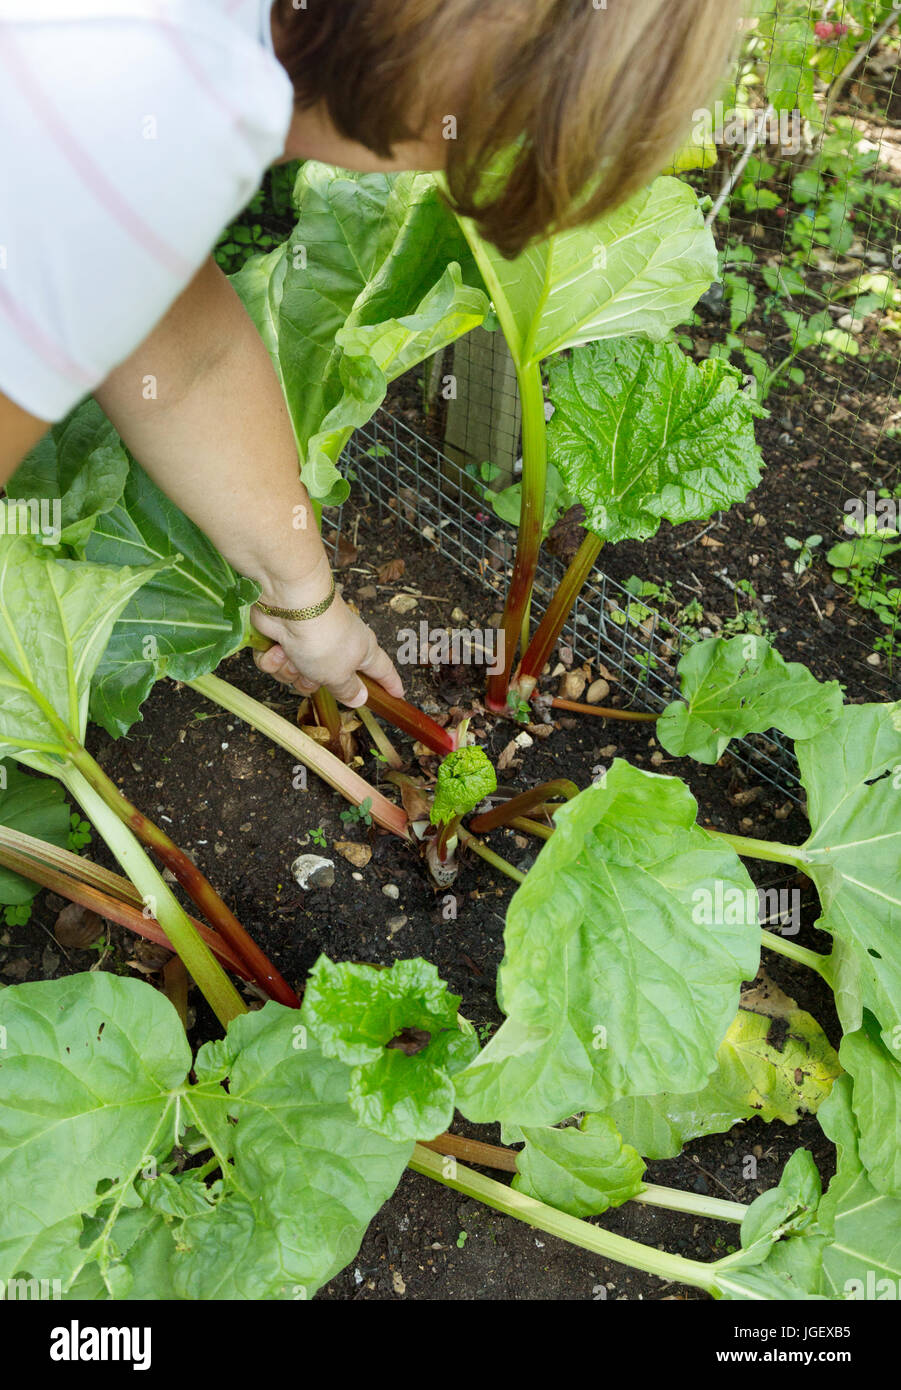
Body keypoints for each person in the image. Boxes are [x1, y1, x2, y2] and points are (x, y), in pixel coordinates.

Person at [0, 0, 741, 705]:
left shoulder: (194, 60)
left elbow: (187, 365)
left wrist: (304, 600)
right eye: (508, 139)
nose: (466, 165)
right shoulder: (113, 123)